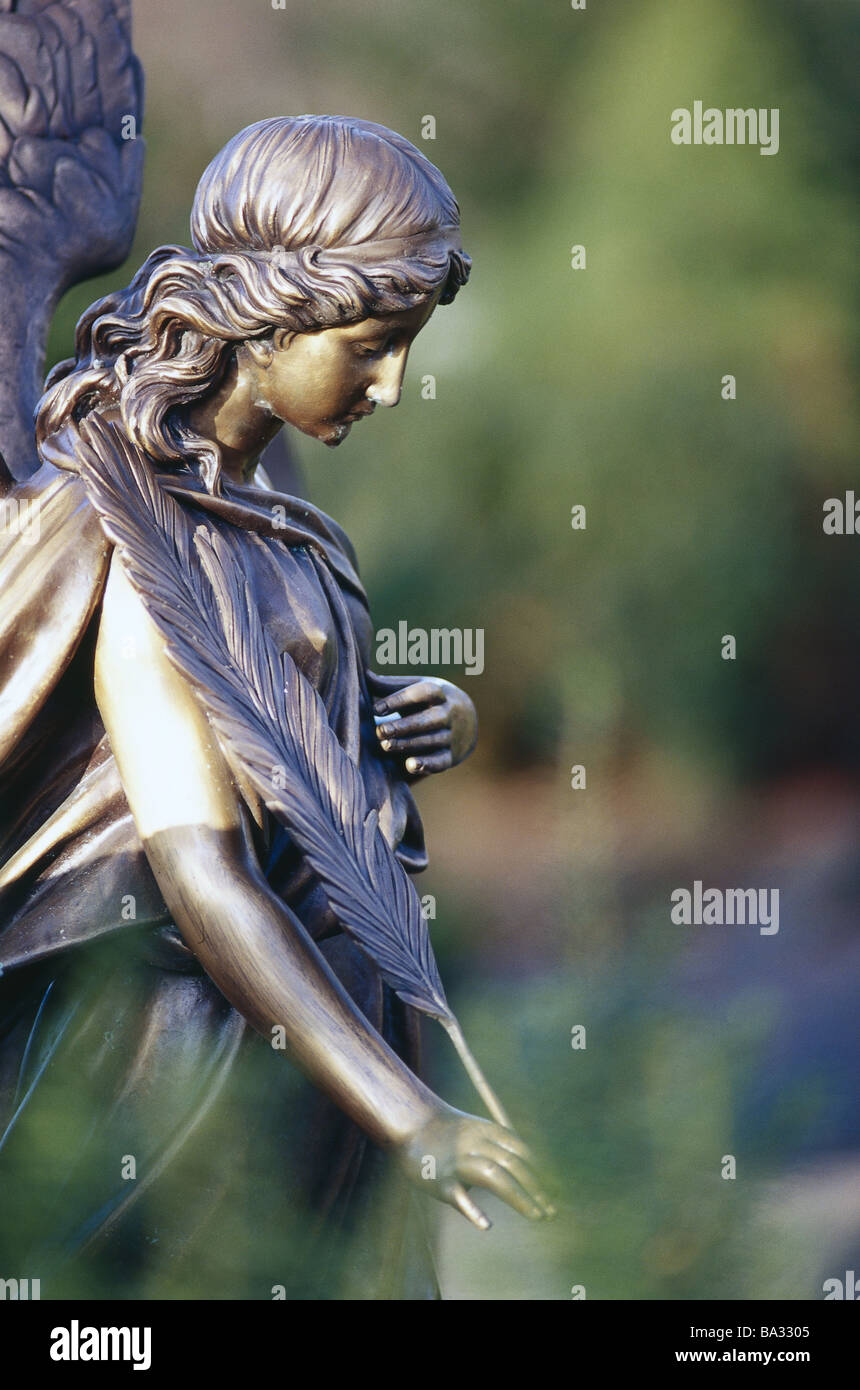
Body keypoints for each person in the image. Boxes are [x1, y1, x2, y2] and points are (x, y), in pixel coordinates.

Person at [0, 115, 551, 1299]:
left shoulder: (269, 511)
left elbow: (292, 719)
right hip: (192, 1053)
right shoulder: (146, 542)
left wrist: (423, 714)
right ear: (269, 318)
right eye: (370, 345)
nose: (392, 386)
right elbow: (201, 871)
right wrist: (414, 1119)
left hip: (325, 1011)